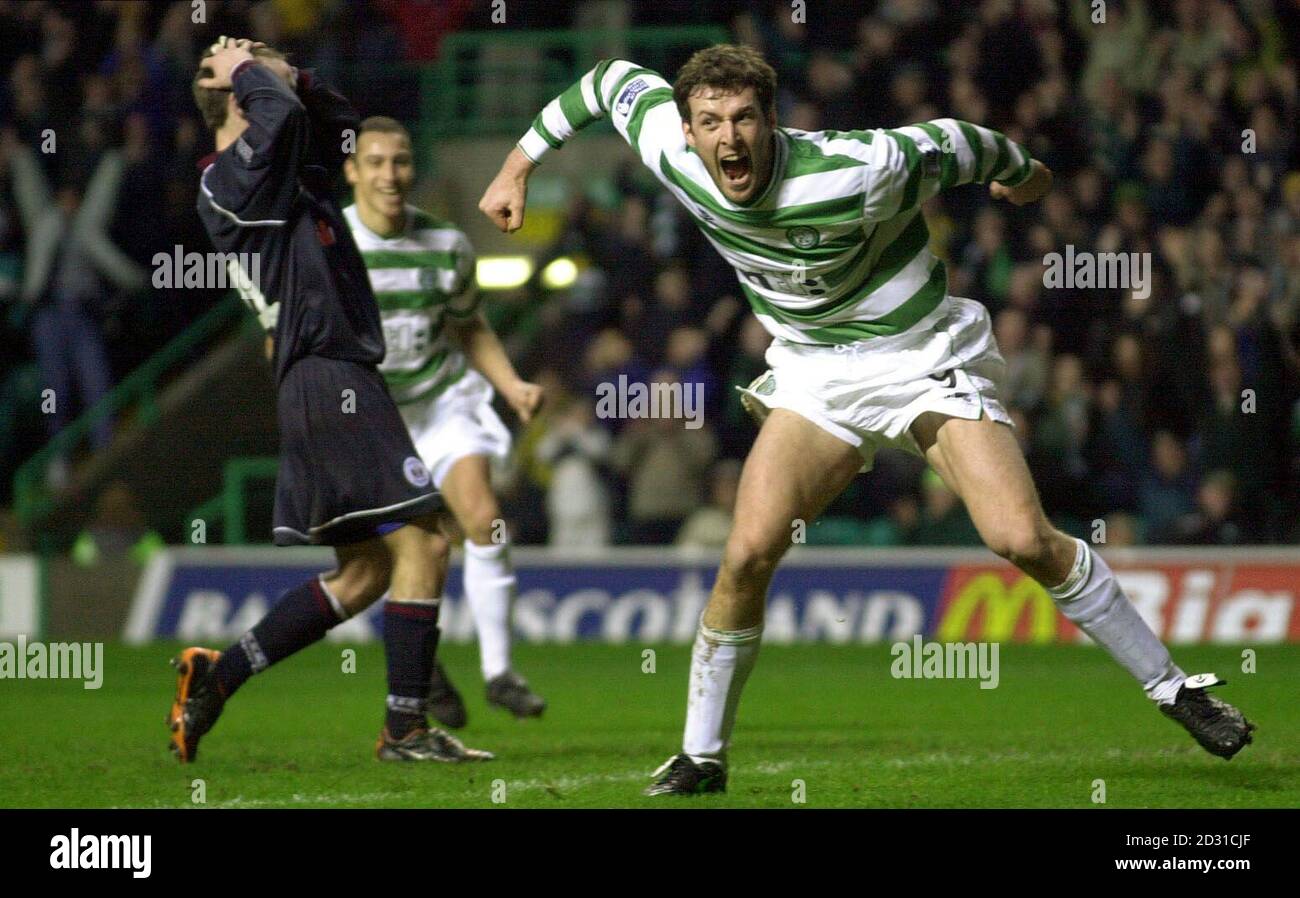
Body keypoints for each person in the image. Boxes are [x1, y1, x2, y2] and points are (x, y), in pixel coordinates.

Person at [479, 44, 1255, 796]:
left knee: (1019, 537)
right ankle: (701, 758)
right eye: (711, 122)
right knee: (745, 552)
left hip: (920, 354)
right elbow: (609, 78)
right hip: (816, 371)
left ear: (771, 119)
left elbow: (956, 141)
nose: (728, 137)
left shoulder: (859, 168)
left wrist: (1024, 176)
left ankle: (1175, 687)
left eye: (745, 119)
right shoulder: (669, 150)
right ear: (685, 130)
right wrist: (518, 165)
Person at [169, 37, 492, 764]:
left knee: (366, 571)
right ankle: (405, 729)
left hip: (330, 373)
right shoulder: (228, 179)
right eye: (257, 61)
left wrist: (290, 74)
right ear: (234, 96)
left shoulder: (282, 168)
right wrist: (252, 72)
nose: (274, 62)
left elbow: (347, 128)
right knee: (427, 542)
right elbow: (280, 113)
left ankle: (215, 679)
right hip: (326, 372)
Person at [341, 115, 546, 725]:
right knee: (390, 561)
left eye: (400, 161)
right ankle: (422, 670)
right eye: (375, 162)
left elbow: (470, 325)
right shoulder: (332, 250)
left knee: (485, 518)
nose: (390, 175)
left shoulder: (447, 246)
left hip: (440, 401)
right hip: (371, 422)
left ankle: (500, 671)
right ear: (352, 171)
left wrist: (509, 384)